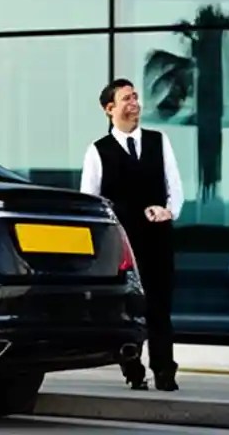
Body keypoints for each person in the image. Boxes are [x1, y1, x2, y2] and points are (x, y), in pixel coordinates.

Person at [79, 78, 183, 392]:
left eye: (136, 97)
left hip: (157, 239)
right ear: (109, 108)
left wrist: (169, 211)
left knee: (160, 308)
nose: (134, 103)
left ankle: (165, 372)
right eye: (127, 98)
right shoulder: (97, 151)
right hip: (121, 245)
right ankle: (132, 367)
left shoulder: (158, 141)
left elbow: (174, 187)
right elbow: (91, 200)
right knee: (127, 308)